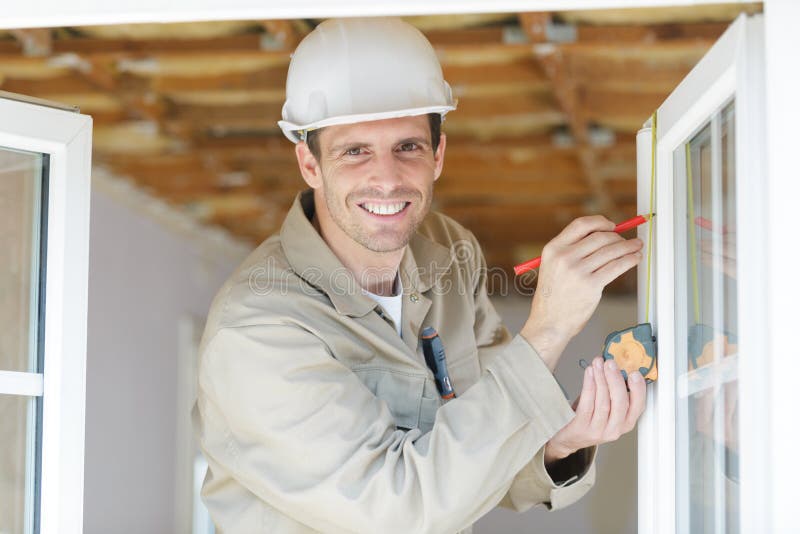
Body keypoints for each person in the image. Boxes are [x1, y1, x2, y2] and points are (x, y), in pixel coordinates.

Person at [192, 17, 646, 533]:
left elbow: (475, 449)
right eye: (355, 151)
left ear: (438, 155)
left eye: (407, 146)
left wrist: (562, 442)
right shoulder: (258, 330)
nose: (386, 179)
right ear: (310, 164)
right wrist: (547, 331)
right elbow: (399, 509)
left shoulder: (450, 254)